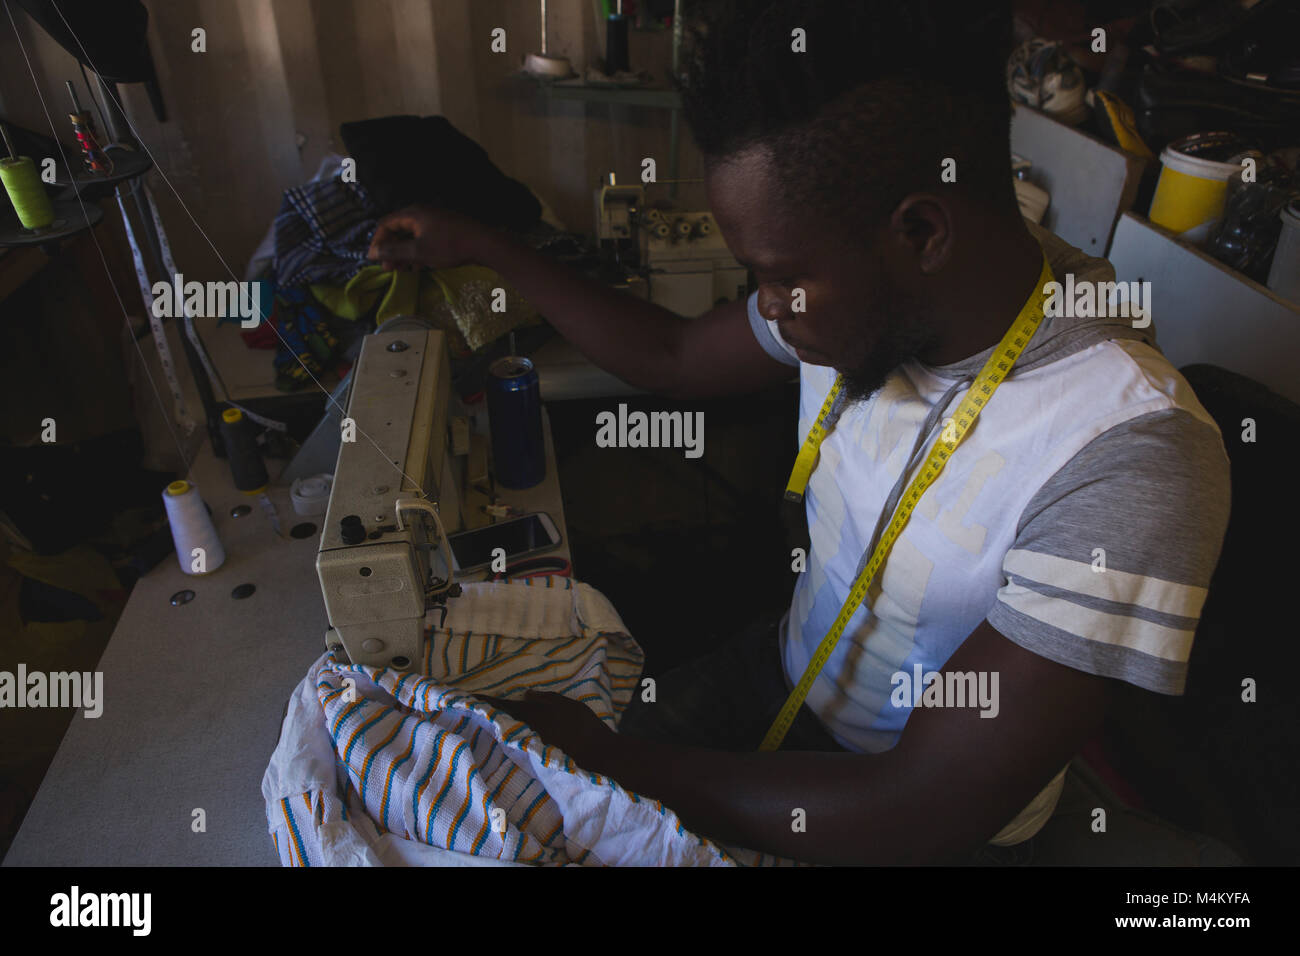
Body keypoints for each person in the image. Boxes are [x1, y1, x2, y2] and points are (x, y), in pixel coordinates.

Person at [366, 0, 1231, 865]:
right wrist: (483, 246)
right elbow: (670, 354)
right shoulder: (873, 283)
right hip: (782, 670)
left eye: (777, 280)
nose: (769, 310)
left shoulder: (1133, 454)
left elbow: (923, 806)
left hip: (911, 810)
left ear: (923, 231)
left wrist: (603, 761)